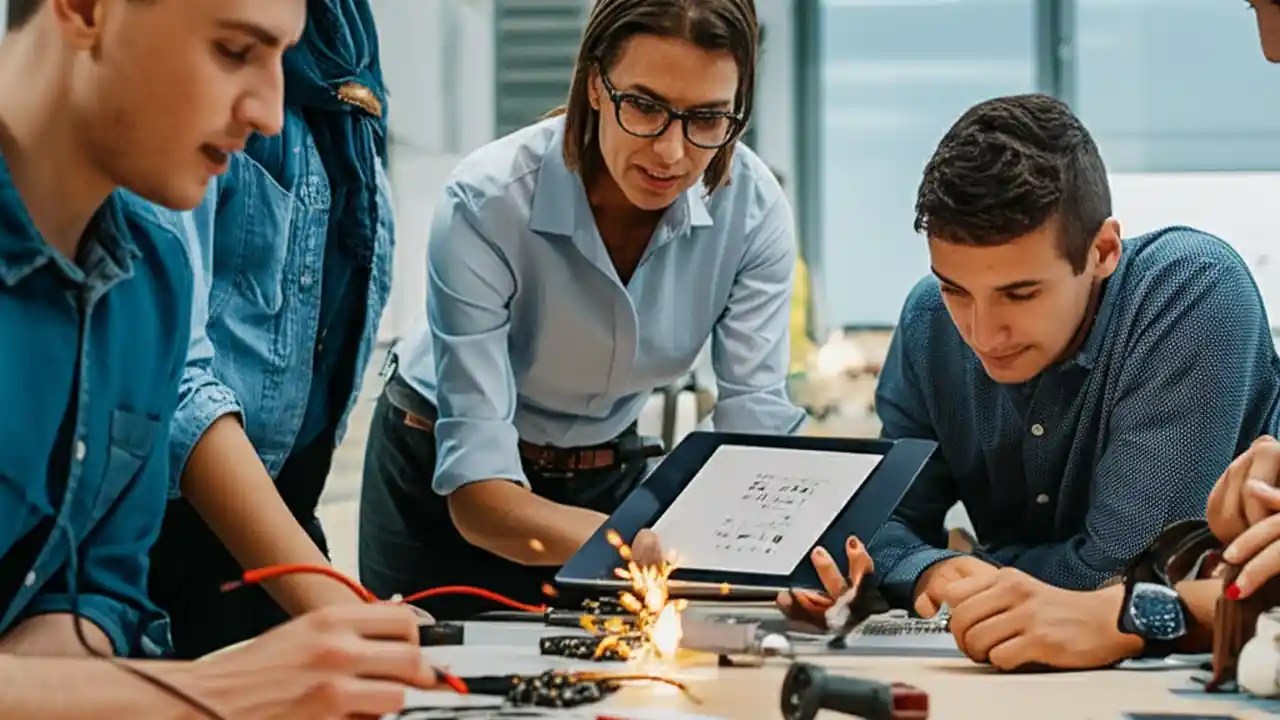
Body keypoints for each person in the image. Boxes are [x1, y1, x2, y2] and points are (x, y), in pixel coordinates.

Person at [0, 0, 434, 716]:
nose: (270, 112)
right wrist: (207, 690)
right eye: (235, 51)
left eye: (281, 58)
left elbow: (89, 599)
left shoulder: (155, 282)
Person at [792, 92, 1280, 671]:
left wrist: (968, 564)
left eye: (1020, 294)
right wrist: (933, 568)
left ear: (1102, 252)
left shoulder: (1190, 291)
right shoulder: (928, 320)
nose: (982, 333)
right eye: (956, 289)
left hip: (1213, 661)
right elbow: (872, 528)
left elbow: (1126, 570)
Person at [359, 0, 807, 619]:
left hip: (601, 471)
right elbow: (479, 495)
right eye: (645, 106)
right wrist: (635, 546)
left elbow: (754, 437)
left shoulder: (752, 212)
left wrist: (774, 543)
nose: (673, 153)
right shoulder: (489, 201)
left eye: (707, 118)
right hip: (444, 474)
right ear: (596, 85)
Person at [145, 0, 396, 659]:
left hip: (285, 515)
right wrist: (333, 602)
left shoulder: (345, 48)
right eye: (238, 54)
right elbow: (174, 381)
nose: (264, 106)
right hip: (186, 530)